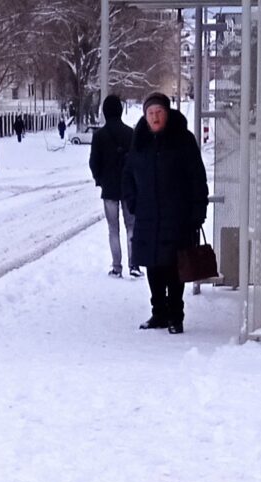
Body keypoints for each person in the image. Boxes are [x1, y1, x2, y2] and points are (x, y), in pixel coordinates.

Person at [123, 93, 207, 335]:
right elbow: (127, 174)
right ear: (145, 116)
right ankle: (158, 312)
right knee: (153, 266)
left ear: (167, 114)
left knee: (173, 267)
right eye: (151, 113)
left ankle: (175, 316)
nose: (155, 117)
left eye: (159, 112)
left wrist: (197, 211)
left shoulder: (183, 140)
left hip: (177, 216)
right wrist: (133, 202)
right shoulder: (139, 140)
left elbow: (197, 178)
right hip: (148, 217)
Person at [89, 94, 135, 277]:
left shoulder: (99, 136)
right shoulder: (131, 134)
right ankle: (134, 266)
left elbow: (94, 162)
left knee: (113, 229)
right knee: (131, 227)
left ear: (105, 112)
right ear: (121, 111)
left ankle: (117, 267)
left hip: (109, 189)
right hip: (128, 189)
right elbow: (135, 161)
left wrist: (99, 179)